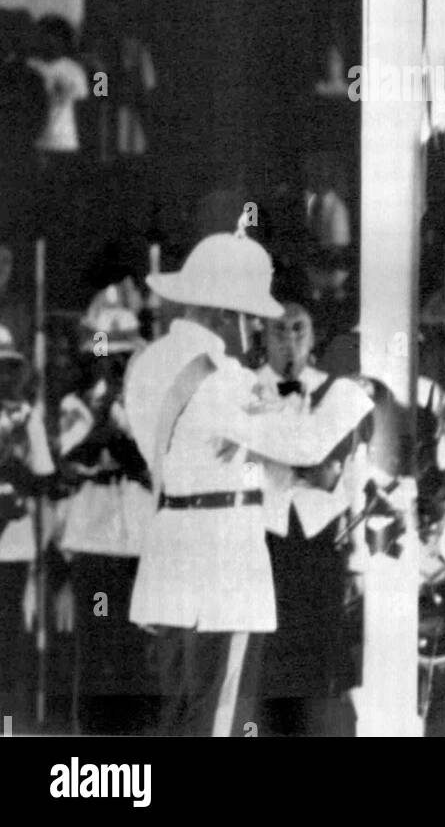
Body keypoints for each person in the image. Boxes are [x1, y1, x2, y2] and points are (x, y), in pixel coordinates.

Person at [124, 225, 372, 737]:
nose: (258, 330)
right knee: (219, 717)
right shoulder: (220, 376)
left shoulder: (147, 363)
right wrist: (356, 391)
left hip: (170, 544)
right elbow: (303, 444)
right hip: (222, 559)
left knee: (177, 714)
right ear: (226, 314)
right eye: (253, 318)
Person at [253, 302, 360, 736]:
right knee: (270, 659)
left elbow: (346, 471)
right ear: (263, 335)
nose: (290, 340)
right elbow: (249, 462)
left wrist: (283, 458)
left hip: (320, 539)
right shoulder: (245, 391)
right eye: (278, 330)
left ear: (313, 335)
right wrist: (304, 465)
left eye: (299, 329)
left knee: (321, 658)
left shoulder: (337, 390)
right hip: (266, 536)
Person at [57, 290, 154, 735]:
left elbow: (152, 465)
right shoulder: (75, 408)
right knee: (97, 649)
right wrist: (103, 425)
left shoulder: (149, 409)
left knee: (138, 650)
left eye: (120, 361)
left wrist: (124, 436)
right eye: (103, 360)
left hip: (139, 546)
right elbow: (70, 461)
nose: (111, 370)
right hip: (95, 548)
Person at [0, 327, 57, 726]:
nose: (3, 376)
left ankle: (6, 720)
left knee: (8, 629)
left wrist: (22, 473)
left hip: (14, 541)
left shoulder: (26, 416)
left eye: (9, 368)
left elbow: (46, 477)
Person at [27, 15, 89, 155]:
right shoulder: (29, 65)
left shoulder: (75, 69)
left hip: (65, 142)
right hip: (35, 142)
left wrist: (101, 74)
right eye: (44, 36)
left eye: (54, 36)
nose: (49, 41)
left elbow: (99, 97)